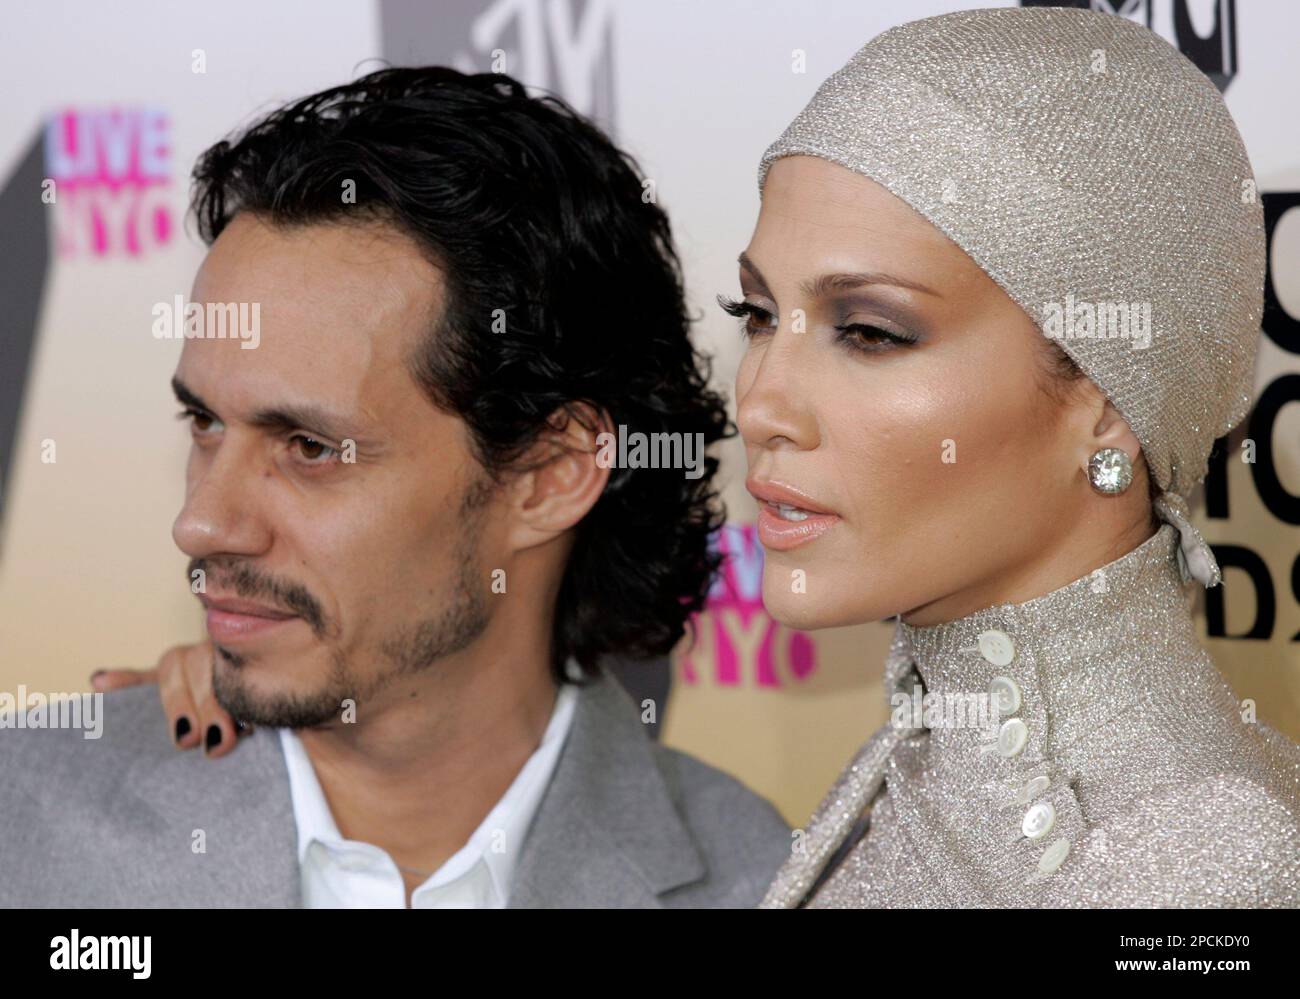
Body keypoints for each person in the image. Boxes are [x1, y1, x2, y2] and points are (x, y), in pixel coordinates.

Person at [0, 66, 790, 909]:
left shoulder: (771, 884)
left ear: (551, 474)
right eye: (205, 424)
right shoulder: (26, 824)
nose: (201, 523)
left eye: (308, 446)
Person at [727, 7, 1300, 906]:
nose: (759, 402)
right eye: (758, 315)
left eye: (870, 332)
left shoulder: (1203, 867)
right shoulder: (913, 769)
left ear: (1108, 404)